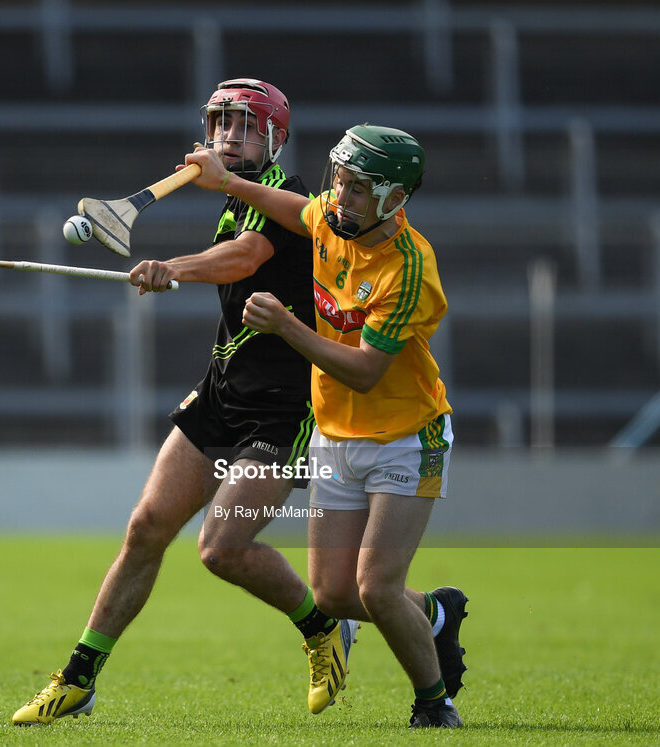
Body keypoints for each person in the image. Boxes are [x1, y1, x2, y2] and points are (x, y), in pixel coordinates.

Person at [12, 79, 358, 725]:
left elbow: (243, 259)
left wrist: (173, 266)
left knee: (222, 549)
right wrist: (176, 263)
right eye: (220, 123)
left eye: (245, 126)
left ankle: (322, 627)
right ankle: (79, 680)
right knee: (145, 528)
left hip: (285, 405)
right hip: (222, 390)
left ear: (275, 139)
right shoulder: (232, 199)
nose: (229, 136)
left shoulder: (294, 198)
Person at [184, 124, 469, 729]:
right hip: (334, 436)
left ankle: (433, 703)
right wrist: (228, 181)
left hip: (404, 438)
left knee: (375, 588)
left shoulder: (409, 268)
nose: (342, 196)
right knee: (335, 597)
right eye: (339, 180)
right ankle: (436, 616)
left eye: (360, 188)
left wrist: (288, 327)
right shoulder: (331, 220)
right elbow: (296, 209)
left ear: (395, 198)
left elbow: (367, 371)